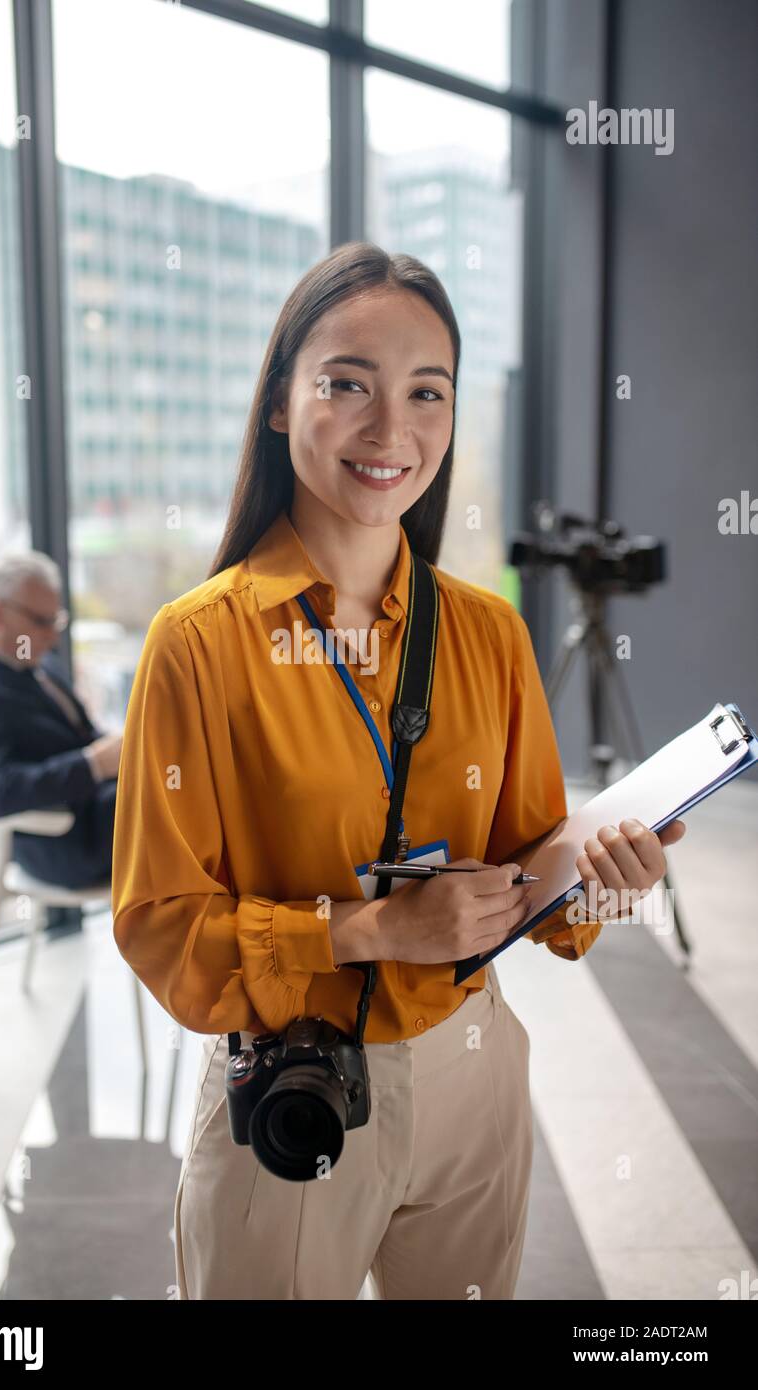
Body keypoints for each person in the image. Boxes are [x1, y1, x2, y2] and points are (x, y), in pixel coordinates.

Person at [111, 242, 686, 1301]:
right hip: (290, 1080)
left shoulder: (490, 634)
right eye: (345, 384)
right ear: (279, 403)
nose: (391, 430)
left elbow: (528, 869)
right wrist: (366, 929)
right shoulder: (197, 643)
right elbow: (160, 925)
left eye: (427, 391)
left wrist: (593, 871)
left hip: (474, 1070)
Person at [0, 552, 122, 891]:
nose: (52, 636)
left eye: (57, 621)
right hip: (63, 838)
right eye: (41, 622)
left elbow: (83, 737)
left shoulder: (43, 665)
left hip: (99, 811)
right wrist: (94, 764)